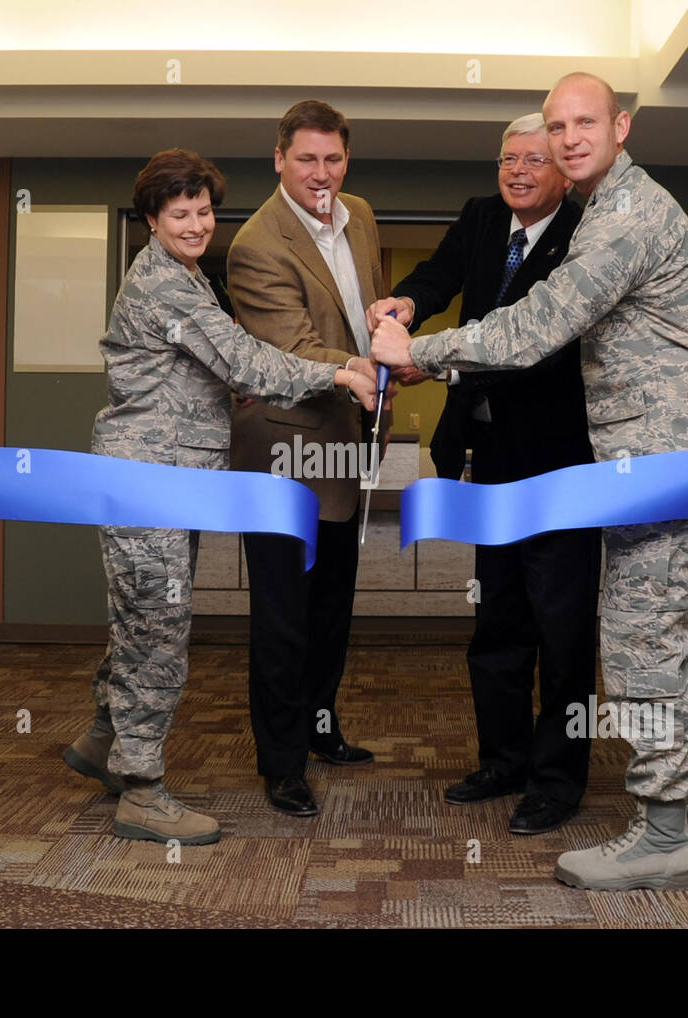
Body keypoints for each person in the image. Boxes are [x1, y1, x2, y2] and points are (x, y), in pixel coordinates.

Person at [371, 73, 688, 891]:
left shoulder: (623, 216)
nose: (569, 137)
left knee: (634, 636)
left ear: (621, 126)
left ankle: (663, 832)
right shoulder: (609, 208)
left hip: (667, 454)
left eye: (586, 122)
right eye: (557, 125)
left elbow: (542, 322)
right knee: (664, 629)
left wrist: (420, 354)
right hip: (656, 452)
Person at [62, 149, 377, 846]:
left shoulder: (187, 275)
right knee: (159, 632)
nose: (197, 223)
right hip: (153, 480)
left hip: (170, 477)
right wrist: (342, 373)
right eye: (181, 213)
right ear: (152, 219)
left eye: (204, 210)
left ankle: (103, 739)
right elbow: (245, 361)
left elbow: (213, 370)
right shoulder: (166, 286)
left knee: (140, 619)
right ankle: (142, 790)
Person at [366, 112, 599, 835]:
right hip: (488, 454)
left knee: (561, 627)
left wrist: (430, 351)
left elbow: (542, 340)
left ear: (562, 168)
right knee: (497, 615)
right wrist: (407, 300)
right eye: (508, 159)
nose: (519, 172)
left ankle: (557, 780)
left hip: (560, 460)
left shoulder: (586, 234)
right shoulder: (481, 216)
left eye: (535, 159)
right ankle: (503, 761)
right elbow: (438, 275)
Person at [227, 100, 387, 817]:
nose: (321, 174)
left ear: (345, 159)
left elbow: (366, 309)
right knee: (285, 618)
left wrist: (390, 329)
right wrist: (372, 365)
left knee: (331, 611)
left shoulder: (360, 214)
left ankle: (321, 727)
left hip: (344, 448)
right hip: (285, 454)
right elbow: (289, 351)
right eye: (306, 159)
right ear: (278, 159)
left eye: (332, 159)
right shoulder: (257, 243)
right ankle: (283, 764)